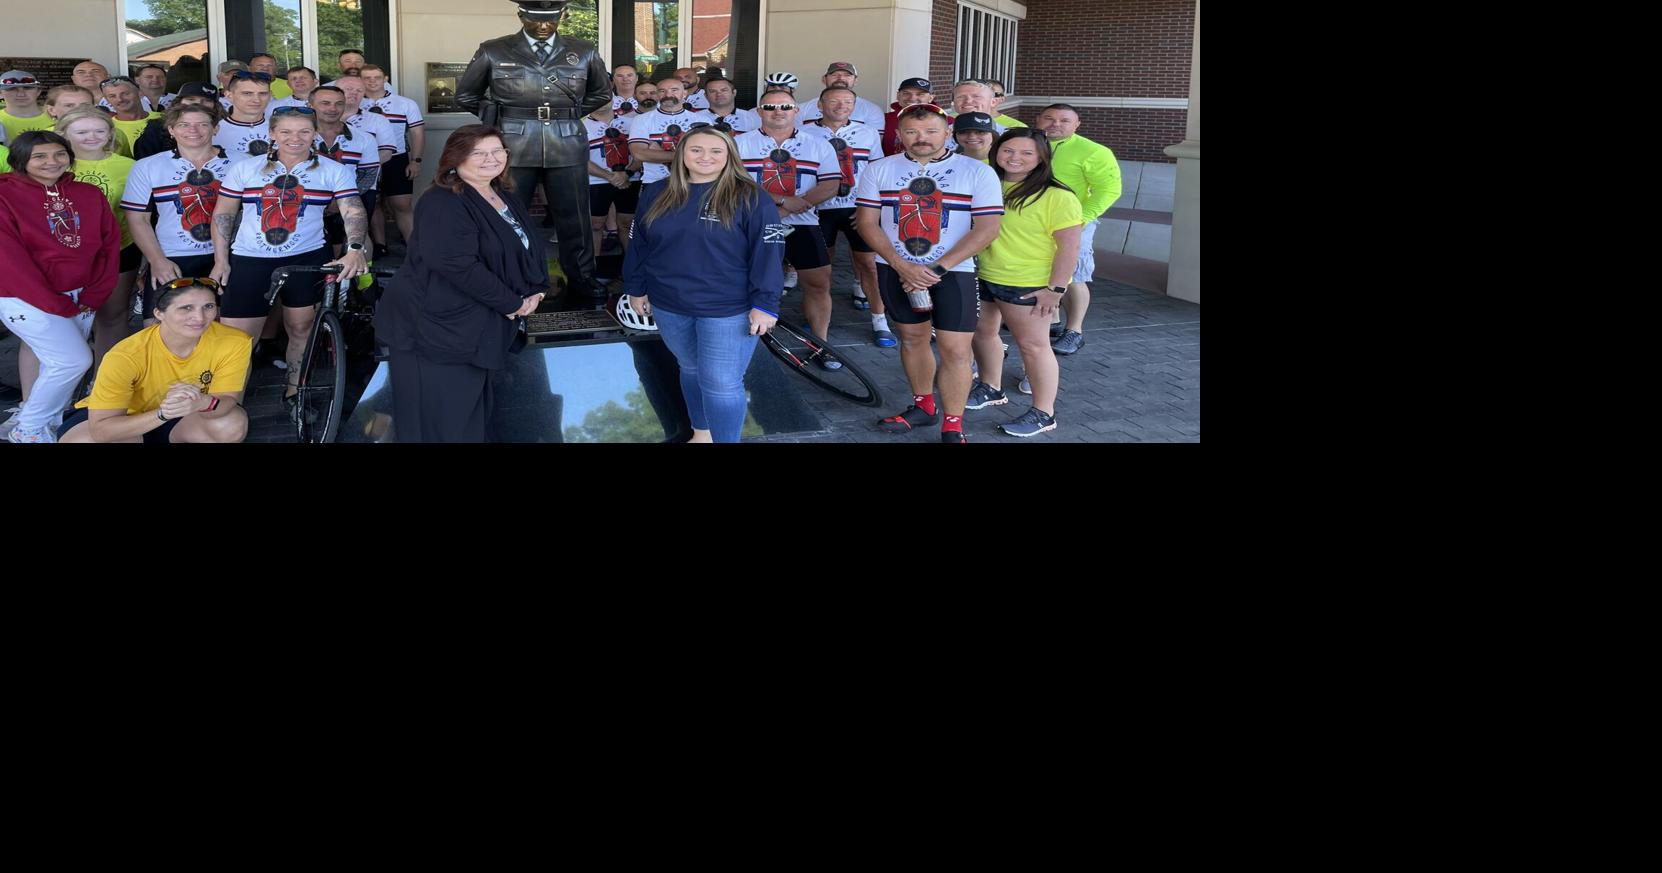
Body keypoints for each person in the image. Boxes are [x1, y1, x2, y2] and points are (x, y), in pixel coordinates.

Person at [376, 125, 549, 442]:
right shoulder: (443, 201)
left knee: (469, 416)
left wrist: (537, 288)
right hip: (436, 329)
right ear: (454, 159)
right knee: (443, 423)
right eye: (478, 153)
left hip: (475, 324)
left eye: (497, 151)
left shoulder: (503, 195)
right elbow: (454, 264)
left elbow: (529, 245)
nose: (490, 159)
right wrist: (512, 303)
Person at [623, 126, 783, 443]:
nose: (705, 157)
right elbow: (639, 243)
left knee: (722, 383)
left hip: (727, 308)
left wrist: (765, 304)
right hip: (670, 304)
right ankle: (702, 434)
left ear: (729, 157)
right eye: (696, 150)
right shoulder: (656, 192)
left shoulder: (750, 196)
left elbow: (769, 253)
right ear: (682, 154)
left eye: (715, 151)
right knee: (691, 369)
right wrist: (635, 286)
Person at [853, 103, 1003, 443]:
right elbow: (867, 223)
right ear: (899, 134)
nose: (921, 138)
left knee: (955, 349)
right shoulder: (879, 169)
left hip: (954, 271)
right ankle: (924, 407)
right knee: (912, 339)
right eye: (912, 132)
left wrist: (936, 268)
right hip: (896, 268)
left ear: (947, 133)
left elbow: (987, 229)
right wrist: (903, 265)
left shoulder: (977, 171)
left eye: (931, 131)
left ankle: (953, 424)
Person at [209, 106, 368, 411]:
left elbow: (352, 209)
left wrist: (355, 247)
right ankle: (228, 404)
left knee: (301, 329)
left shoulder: (333, 169)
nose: (295, 139)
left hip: (307, 257)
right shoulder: (245, 168)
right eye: (285, 132)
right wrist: (221, 260)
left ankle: (295, 393)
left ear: (314, 133)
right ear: (271, 134)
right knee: (237, 339)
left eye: (304, 131)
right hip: (249, 258)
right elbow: (224, 213)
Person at [456, 0, 612, 299]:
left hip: (566, 140)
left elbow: (601, 92)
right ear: (521, 16)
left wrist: (567, 115)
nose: (543, 26)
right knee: (506, 214)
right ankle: (507, 276)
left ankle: (582, 277)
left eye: (551, 19)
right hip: (513, 144)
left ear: (562, 16)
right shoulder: (494, 50)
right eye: (535, 19)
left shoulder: (583, 50)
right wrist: (500, 118)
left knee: (575, 216)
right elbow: (466, 95)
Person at [0, 131, 120, 443]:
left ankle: (50, 422)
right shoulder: (5, 195)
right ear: (21, 160)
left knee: (54, 362)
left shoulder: (87, 193)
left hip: (81, 294)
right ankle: (29, 428)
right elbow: (9, 259)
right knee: (73, 360)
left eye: (58, 154)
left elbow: (109, 242)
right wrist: (54, 303)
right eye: (39, 156)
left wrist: (95, 292)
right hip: (23, 295)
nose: (51, 162)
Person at [966, 129, 1080, 437]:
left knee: (1033, 346)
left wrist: (1055, 289)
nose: (1015, 158)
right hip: (986, 273)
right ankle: (990, 387)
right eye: (1008, 150)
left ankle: (1044, 412)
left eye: (1026, 153)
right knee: (983, 332)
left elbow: (1070, 247)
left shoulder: (1057, 195)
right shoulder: (988, 183)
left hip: (1028, 283)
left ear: (1042, 157)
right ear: (996, 151)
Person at [57, 280, 250, 443]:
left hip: (182, 415)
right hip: (119, 419)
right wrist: (163, 413)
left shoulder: (235, 341)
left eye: (208, 306)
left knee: (232, 424)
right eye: (186, 308)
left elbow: (227, 401)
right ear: (159, 314)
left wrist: (203, 403)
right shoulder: (125, 355)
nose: (199, 317)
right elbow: (102, 431)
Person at [734, 89, 839, 348]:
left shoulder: (817, 144)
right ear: (759, 112)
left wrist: (791, 209)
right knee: (745, 282)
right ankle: (749, 341)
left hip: (803, 222)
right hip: (752, 223)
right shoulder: (738, 142)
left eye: (784, 107)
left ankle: (821, 345)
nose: (777, 111)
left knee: (818, 283)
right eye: (769, 107)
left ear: (796, 110)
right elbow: (733, 183)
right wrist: (781, 202)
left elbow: (830, 185)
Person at [122, 102, 234, 322]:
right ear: (171, 130)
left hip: (229, 256)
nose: (193, 131)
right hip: (172, 256)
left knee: (220, 328)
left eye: (202, 124)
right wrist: (157, 260)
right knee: (156, 326)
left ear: (216, 129)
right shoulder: (148, 166)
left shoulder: (242, 162)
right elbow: (137, 219)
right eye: (183, 125)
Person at [801, 84, 887, 344]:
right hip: (819, 209)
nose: (841, 107)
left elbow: (876, 172)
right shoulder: (804, 132)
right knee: (820, 269)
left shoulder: (868, 132)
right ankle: (819, 319)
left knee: (869, 266)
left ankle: (880, 321)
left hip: (857, 207)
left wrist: (870, 206)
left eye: (847, 102)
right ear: (820, 104)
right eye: (834, 101)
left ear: (854, 105)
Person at [1035, 103, 1121, 355]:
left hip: (1075, 222)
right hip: (1034, 221)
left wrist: (1081, 219)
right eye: (1049, 118)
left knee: (1074, 276)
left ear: (1077, 125)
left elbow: (1109, 190)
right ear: (1038, 120)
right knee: (1043, 269)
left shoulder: (1093, 151)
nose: (1055, 124)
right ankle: (1052, 320)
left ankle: (1074, 331)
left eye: (1064, 120)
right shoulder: (1030, 144)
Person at [56, 106, 140, 365]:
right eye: (81, 131)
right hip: (64, 256)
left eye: (99, 130)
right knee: (64, 321)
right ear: (63, 134)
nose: (91, 137)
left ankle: (105, 381)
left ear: (110, 133)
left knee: (112, 317)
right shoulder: (50, 165)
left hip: (119, 250)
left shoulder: (130, 166)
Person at [358, 63, 425, 258]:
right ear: (361, 80)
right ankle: (380, 244)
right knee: (374, 203)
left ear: (385, 79)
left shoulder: (405, 103)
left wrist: (416, 160)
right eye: (367, 78)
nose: (372, 82)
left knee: (402, 204)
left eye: (376, 77)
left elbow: (417, 133)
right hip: (365, 162)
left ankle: (414, 247)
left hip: (397, 158)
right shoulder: (353, 102)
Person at [628, 77, 715, 193]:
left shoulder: (702, 120)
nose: (668, 94)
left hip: (694, 182)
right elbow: (639, 154)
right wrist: (689, 155)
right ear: (657, 95)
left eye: (674, 90)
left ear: (684, 93)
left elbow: (709, 154)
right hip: (654, 183)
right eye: (662, 91)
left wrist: (658, 153)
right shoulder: (641, 120)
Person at [584, 101, 637, 254]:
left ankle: (631, 267)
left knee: (628, 223)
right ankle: (594, 270)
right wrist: (610, 176)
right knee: (596, 224)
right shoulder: (580, 125)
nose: (601, 100)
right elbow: (579, 158)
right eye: (595, 97)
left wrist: (627, 173)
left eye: (604, 96)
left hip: (630, 179)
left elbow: (641, 151)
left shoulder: (632, 121)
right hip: (596, 181)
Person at [132, 82, 222, 160]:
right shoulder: (157, 127)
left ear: (215, 105)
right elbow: (145, 162)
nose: (198, 104)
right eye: (191, 99)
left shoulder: (225, 125)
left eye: (207, 100)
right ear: (178, 102)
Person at [797, 62, 887, 132]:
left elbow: (873, 146)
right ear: (824, 79)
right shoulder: (802, 108)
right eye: (834, 75)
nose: (840, 78)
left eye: (847, 75)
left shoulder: (872, 110)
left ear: (856, 80)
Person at [212, 70, 273, 158]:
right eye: (247, 93)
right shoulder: (213, 132)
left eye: (263, 94)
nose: (256, 100)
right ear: (229, 96)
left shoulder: (284, 129)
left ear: (270, 95)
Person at [100, 76, 161, 155]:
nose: (120, 99)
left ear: (140, 93)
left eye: (125, 94)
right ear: (107, 99)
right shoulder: (106, 128)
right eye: (112, 96)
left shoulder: (163, 118)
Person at [882, 77, 933, 156]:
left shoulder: (947, 122)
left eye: (920, 94)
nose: (912, 98)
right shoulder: (883, 119)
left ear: (931, 98)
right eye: (906, 93)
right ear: (898, 96)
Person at [1, 71, 54, 144]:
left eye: (27, 88)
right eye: (12, 89)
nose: (21, 94)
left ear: (38, 91)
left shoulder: (56, 115)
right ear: (0, 94)